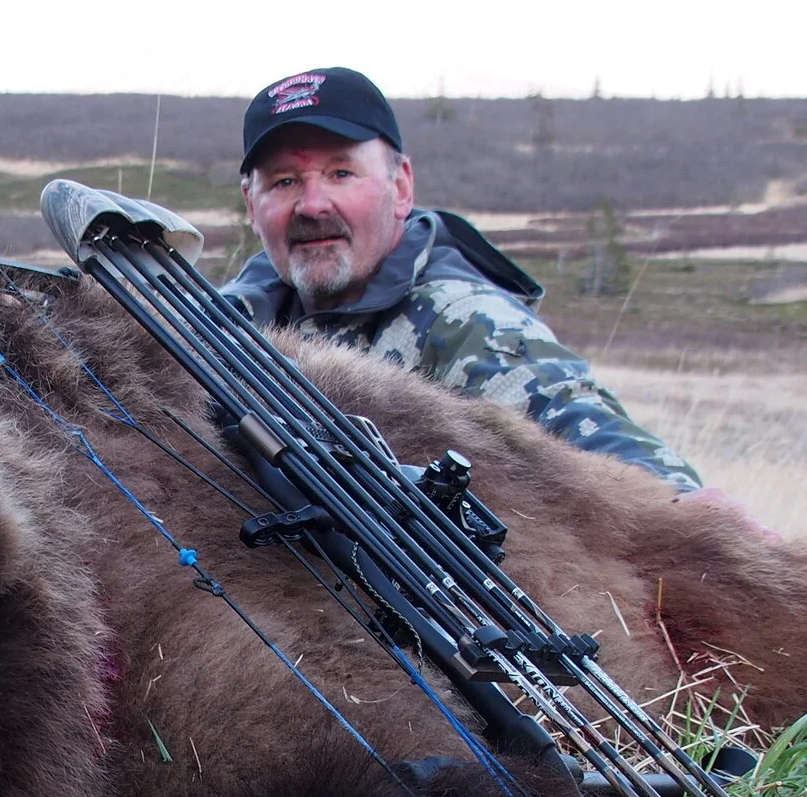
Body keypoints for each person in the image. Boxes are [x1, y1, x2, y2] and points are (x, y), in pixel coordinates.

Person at [222, 66, 705, 494]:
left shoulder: (467, 321)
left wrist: (685, 509)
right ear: (251, 204)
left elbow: (582, 423)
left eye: (341, 173)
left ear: (402, 186)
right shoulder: (223, 319)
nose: (312, 205)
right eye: (284, 182)